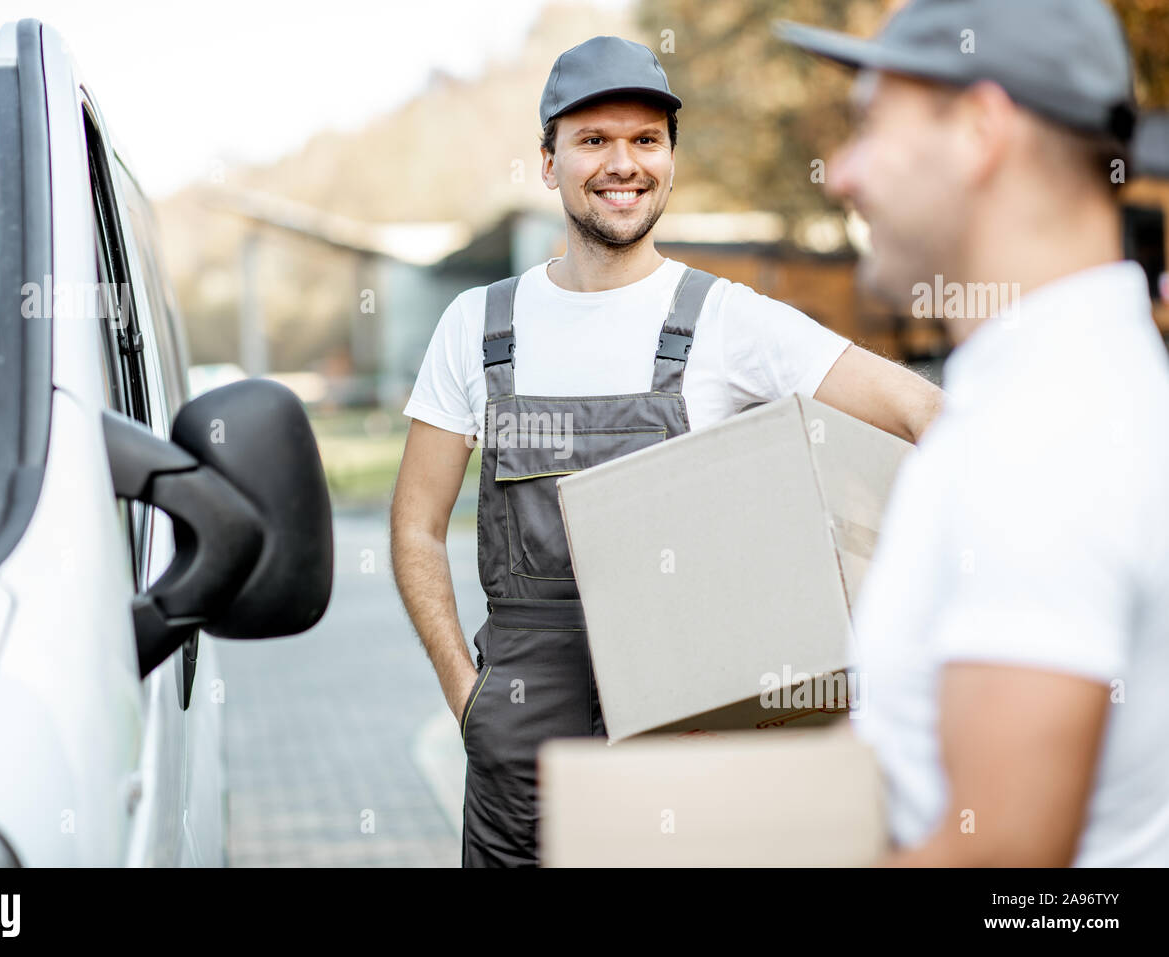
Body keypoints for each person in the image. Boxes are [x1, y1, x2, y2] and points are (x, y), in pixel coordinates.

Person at [391, 34, 944, 868]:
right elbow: (415, 527)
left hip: (683, 745)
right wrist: (467, 700)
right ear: (548, 163)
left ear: (672, 160)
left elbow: (922, 412)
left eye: (646, 140)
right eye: (594, 140)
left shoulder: (726, 320)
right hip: (519, 749)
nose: (624, 163)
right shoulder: (477, 325)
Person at [778, 0, 1169, 865]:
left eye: (871, 125)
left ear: (981, 130)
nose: (840, 172)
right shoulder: (1043, 386)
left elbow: (1004, 872)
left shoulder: (1049, 433)